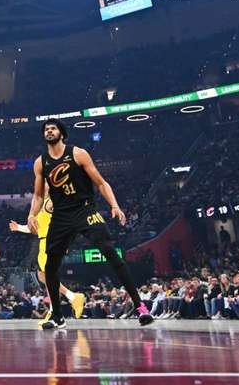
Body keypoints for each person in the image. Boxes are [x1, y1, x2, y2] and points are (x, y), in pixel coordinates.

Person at [31, 118, 153, 330]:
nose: (49, 131)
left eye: (53, 128)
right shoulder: (40, 162)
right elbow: (38, 195)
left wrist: (114, 205)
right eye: (46, 129)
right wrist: (32, 215)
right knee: (50, 266)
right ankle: (58, 316)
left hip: (85, 209)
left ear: (62, 133)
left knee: (110, 253)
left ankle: (140, 306)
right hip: (61, 214)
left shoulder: (78, 153)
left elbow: (101, 182)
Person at [9, 191, 85, 320]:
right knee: (44, 276)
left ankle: (64, 304)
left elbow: (65, 221)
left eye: (45, 183)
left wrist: (65, 241)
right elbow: (36, 228)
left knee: (47, 276)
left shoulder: (51, 202)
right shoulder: (40, 205)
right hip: (44, 242)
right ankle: (60, 305)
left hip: (51, 241)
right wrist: (19, 228)